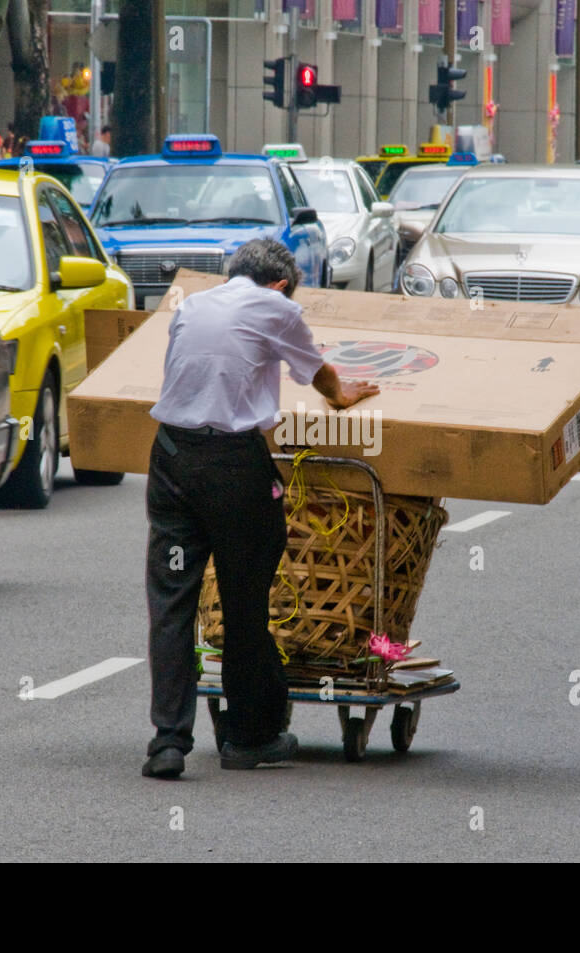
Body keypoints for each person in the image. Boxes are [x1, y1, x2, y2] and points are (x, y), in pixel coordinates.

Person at [141, 239, 379, 779]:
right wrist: (340, 396)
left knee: (171, 602)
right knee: (245, 602)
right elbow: (319, 373)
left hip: (172, 460)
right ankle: (249, 738)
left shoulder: (194, 303)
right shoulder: (279, 307)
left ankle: (168, 742)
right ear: (278, 285)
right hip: (233, 468)